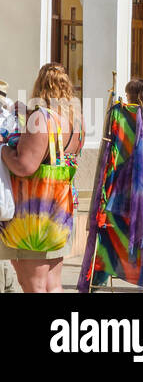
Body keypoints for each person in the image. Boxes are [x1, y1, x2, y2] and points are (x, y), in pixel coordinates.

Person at [0, 64, 84, 292]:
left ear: (40, 86)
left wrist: (3, 150)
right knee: (52, 283)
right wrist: (27, 113)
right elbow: (53, 147)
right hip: (62, 208)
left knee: (33, 284)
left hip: (36, 211)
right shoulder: (77, 119)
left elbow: (25, 165)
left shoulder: (40, 119)